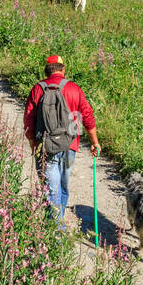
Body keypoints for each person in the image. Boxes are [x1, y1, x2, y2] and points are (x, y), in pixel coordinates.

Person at [23, 54, 99, 226]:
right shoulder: (74, 88)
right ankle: (57, 225)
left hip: (46, 145)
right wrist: (94, 142)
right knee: (63, 186)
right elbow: (87, 116)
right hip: (69, 145)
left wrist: (32, 143)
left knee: (51, 190)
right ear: (63, 70)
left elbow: (29, 118)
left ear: (46, 70)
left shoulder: (38, 89)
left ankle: (55, 230)